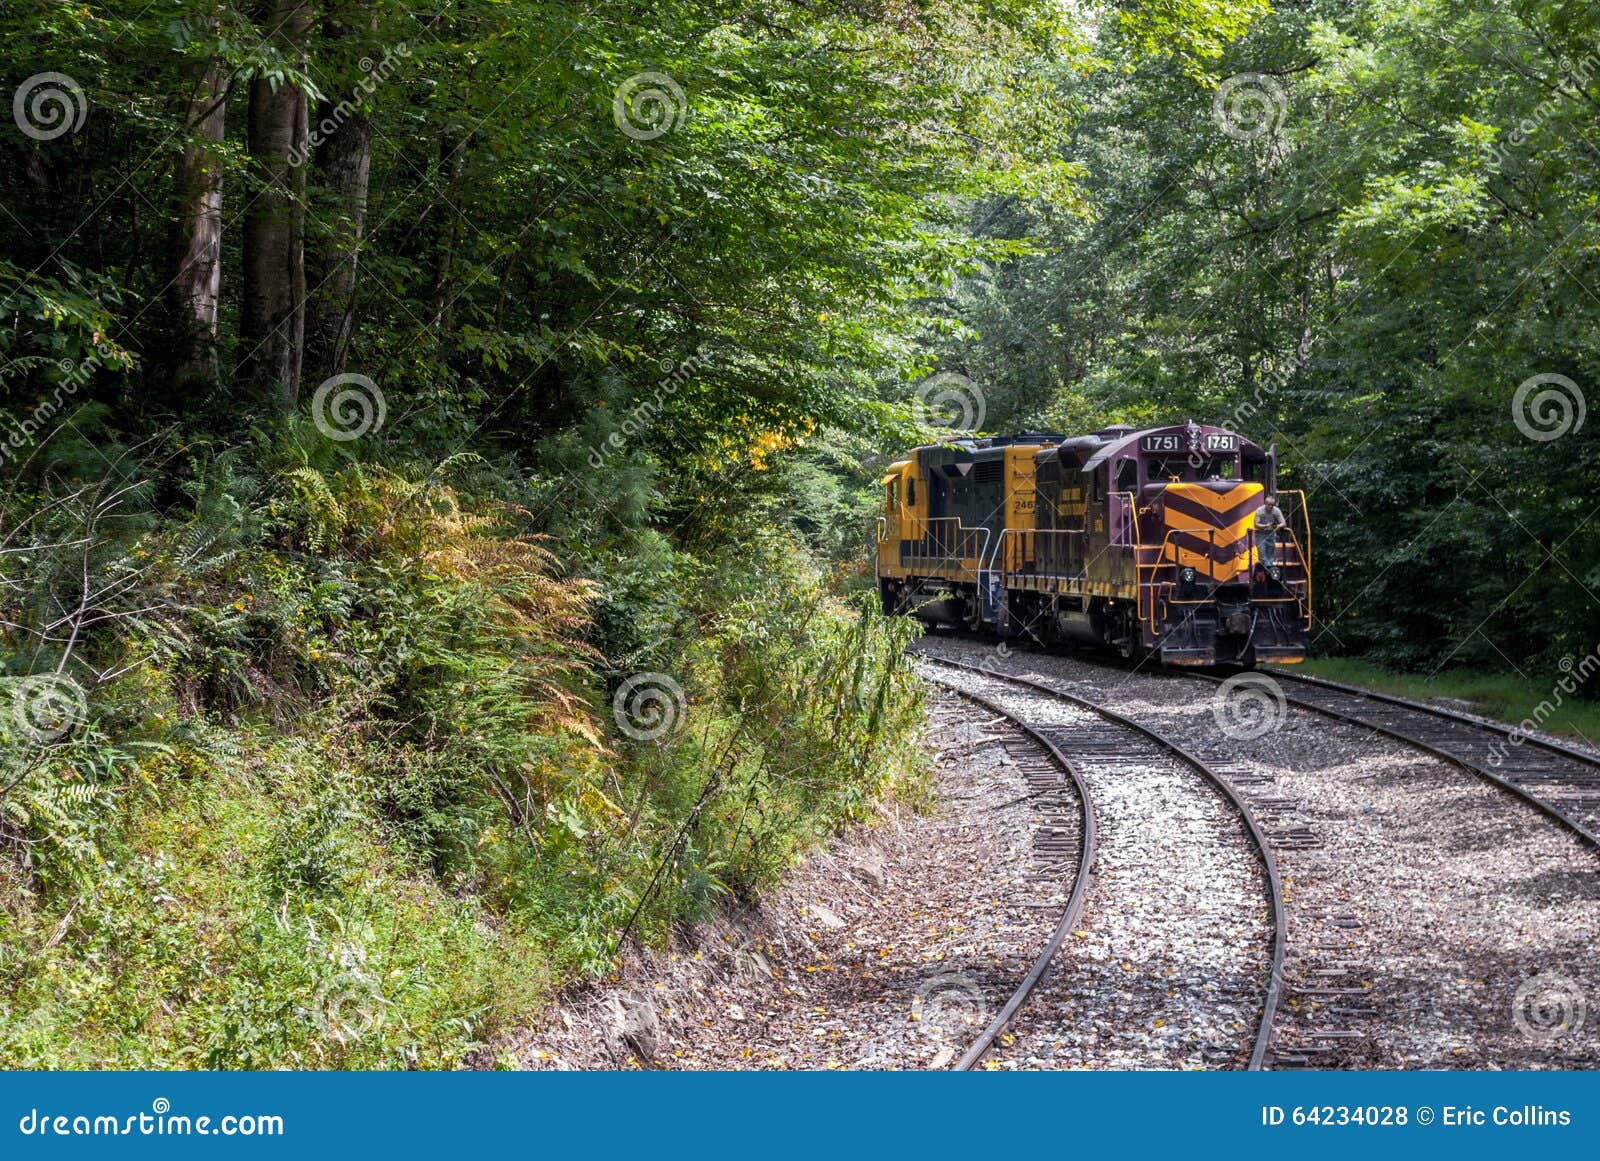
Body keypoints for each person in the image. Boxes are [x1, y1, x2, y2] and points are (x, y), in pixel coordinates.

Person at [1254, 492, 1288, 569]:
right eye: (1269, 505)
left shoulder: (1276, 511)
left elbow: (1284, 523)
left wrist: (1276, 526)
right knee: (1262, 555)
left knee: (1270, 555)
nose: (1271, 506)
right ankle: (1262, 572)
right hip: (1261, 534)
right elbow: (1256, 524)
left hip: (1271, 534)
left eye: (1272, 505)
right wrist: (1265, 526)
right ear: (1265, 504)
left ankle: (1269, 572)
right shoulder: (1259, 511)